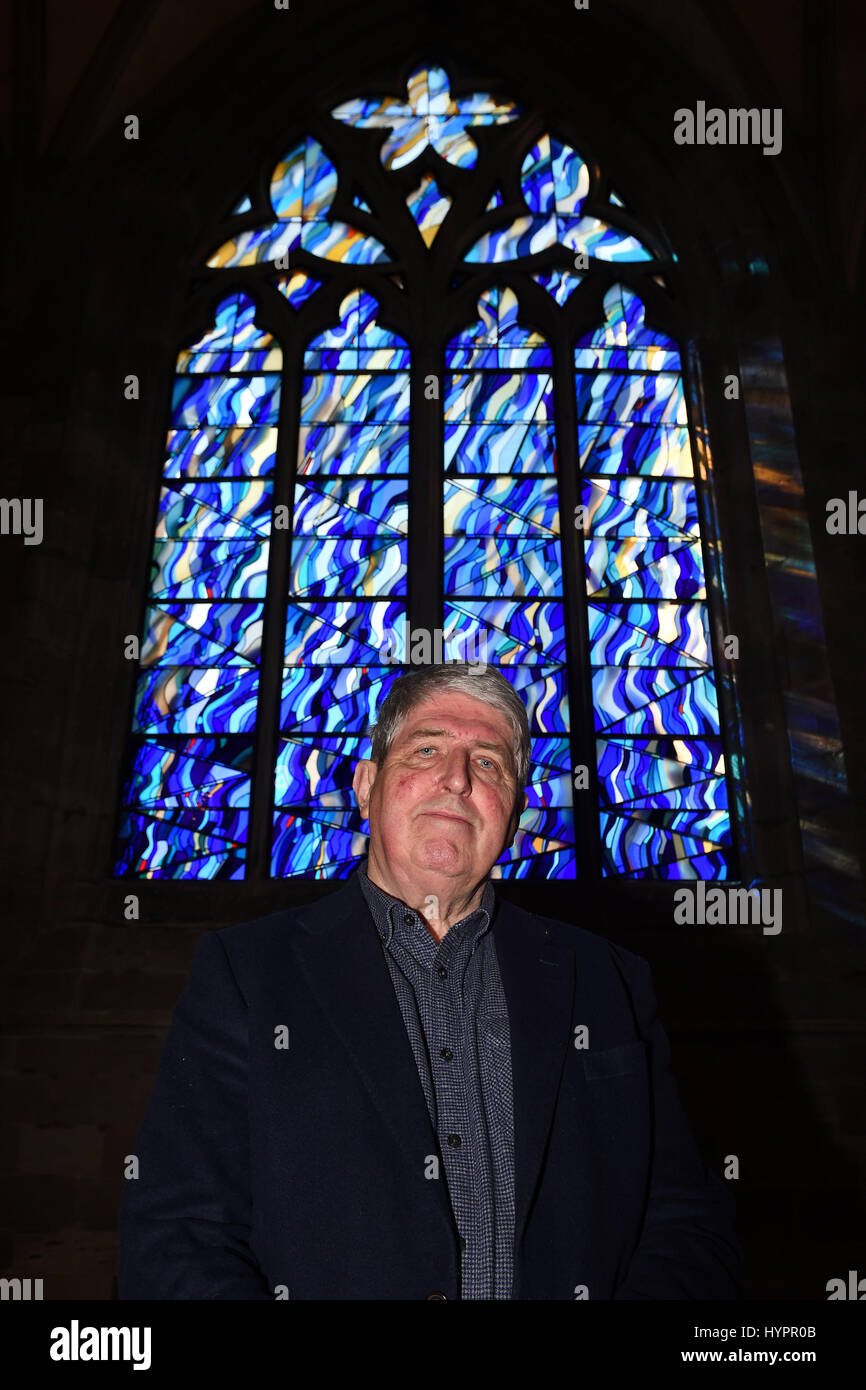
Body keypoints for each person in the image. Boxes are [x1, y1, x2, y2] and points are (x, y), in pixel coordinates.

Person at [118, 662, 741, 1299]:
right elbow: (178, 1232)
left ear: (516, 811)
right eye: (426, 750)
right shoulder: (248, 973)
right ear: (366, 787)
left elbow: (684, 1223)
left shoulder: (609, 979)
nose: (458, 778)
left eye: (490, 762)